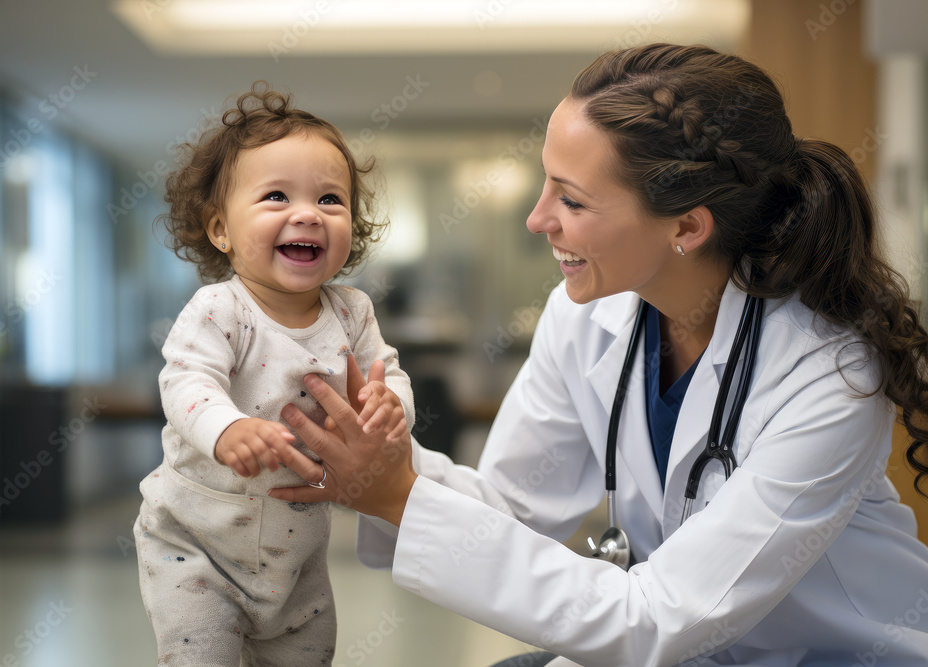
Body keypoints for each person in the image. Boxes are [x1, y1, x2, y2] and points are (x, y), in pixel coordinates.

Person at [266, 44, 928, 666]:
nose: (537, 218)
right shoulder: (589, 315)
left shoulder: (827, 376)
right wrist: (383, 470)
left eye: (571, 199)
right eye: (545, 184)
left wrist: (400, 497)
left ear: (688, 227)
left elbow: (654, 617)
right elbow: (513, 510)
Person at [132, 82, 414, 667]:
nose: (307, 213)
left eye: (331, 200)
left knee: (307, 653)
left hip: (297, 551)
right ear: (220, 230)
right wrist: (226, 429)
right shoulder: (220, 309)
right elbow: (185, 382)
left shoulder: (352, 311)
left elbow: (387, 377)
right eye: (276, 196)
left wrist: (392, 408)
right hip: (195, 545)